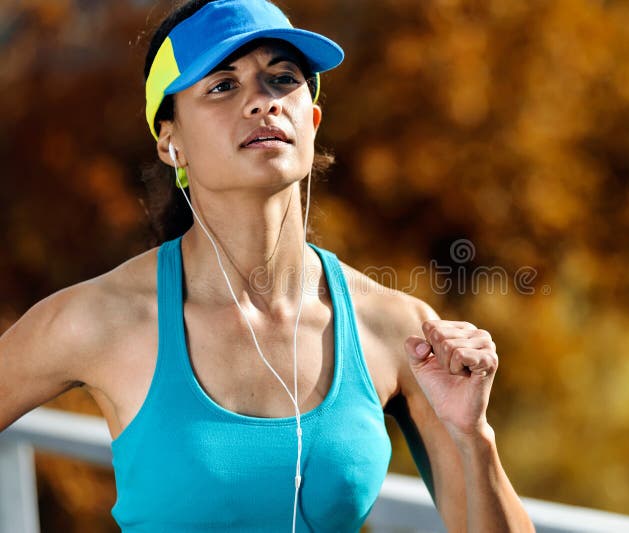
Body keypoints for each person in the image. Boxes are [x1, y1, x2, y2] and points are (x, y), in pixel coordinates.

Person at [0, 1, 535, 531]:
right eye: (223, 85)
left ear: (313, 119)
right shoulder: (99, 318)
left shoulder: (396, 328)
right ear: (171, 142)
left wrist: (473, 436)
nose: (263, 101)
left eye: (283, 79)